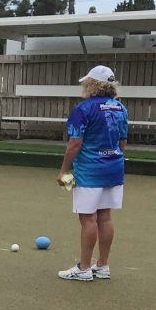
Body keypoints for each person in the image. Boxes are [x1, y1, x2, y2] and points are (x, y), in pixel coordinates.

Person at [57, 64, 128, 281]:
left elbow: (74, 143)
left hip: (90, 171)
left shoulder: (83, 109)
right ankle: (102, 265)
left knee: (88, 219)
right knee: (105, 217)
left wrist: (63, 170)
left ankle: (84, 268)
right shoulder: (120, 108)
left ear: (93, 84)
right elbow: (122, 142)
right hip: (114, 169)